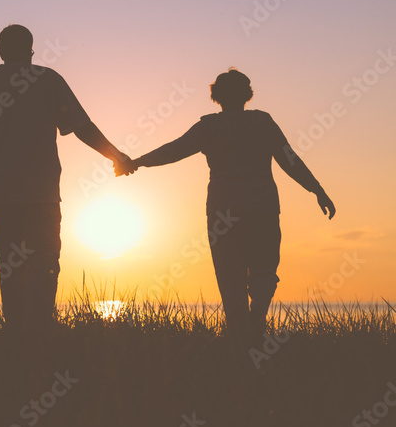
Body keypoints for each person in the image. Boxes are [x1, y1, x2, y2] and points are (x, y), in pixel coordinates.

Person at [128, 68, 335, 340]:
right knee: (264, 268)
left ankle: (241, 337)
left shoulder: (209, 126)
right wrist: (317, 190)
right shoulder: (263, 123)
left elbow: (174, 150)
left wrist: (136, 162)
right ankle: (256, 318)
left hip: (223, 211)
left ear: (217, 97)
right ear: (247, 95)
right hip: (262, 207)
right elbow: (290, 160)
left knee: (230, 277)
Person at [0, 24, 133, 333]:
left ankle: (18, 333)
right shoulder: (47, 80)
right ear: (31, 49)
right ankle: (39, 330)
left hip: (1, 192)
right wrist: (115, 155)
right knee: (45, 262)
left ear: (0, 51)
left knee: (10, 265)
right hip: (42, 193)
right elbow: (82, 126)